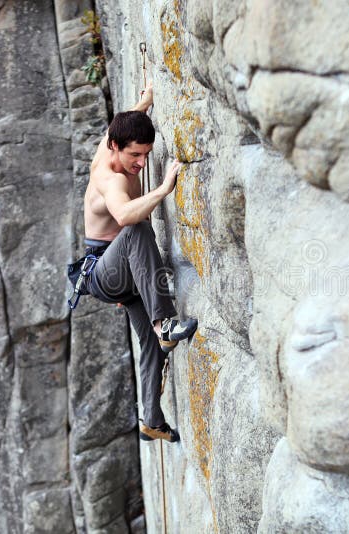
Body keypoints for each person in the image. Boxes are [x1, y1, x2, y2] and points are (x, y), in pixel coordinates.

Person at [81, 85, 197, 443]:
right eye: (135, 155)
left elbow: (122, 124)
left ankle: (151, 422)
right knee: (137, 229)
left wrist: (145, 102)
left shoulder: (113, 140)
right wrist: (162, 189)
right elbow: (123, 215)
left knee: (150, 345)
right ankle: (165, 322)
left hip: (127, 271)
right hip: (105, 271)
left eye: (147, 154)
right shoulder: (110, 178)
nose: (142, 163)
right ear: (115, 148)